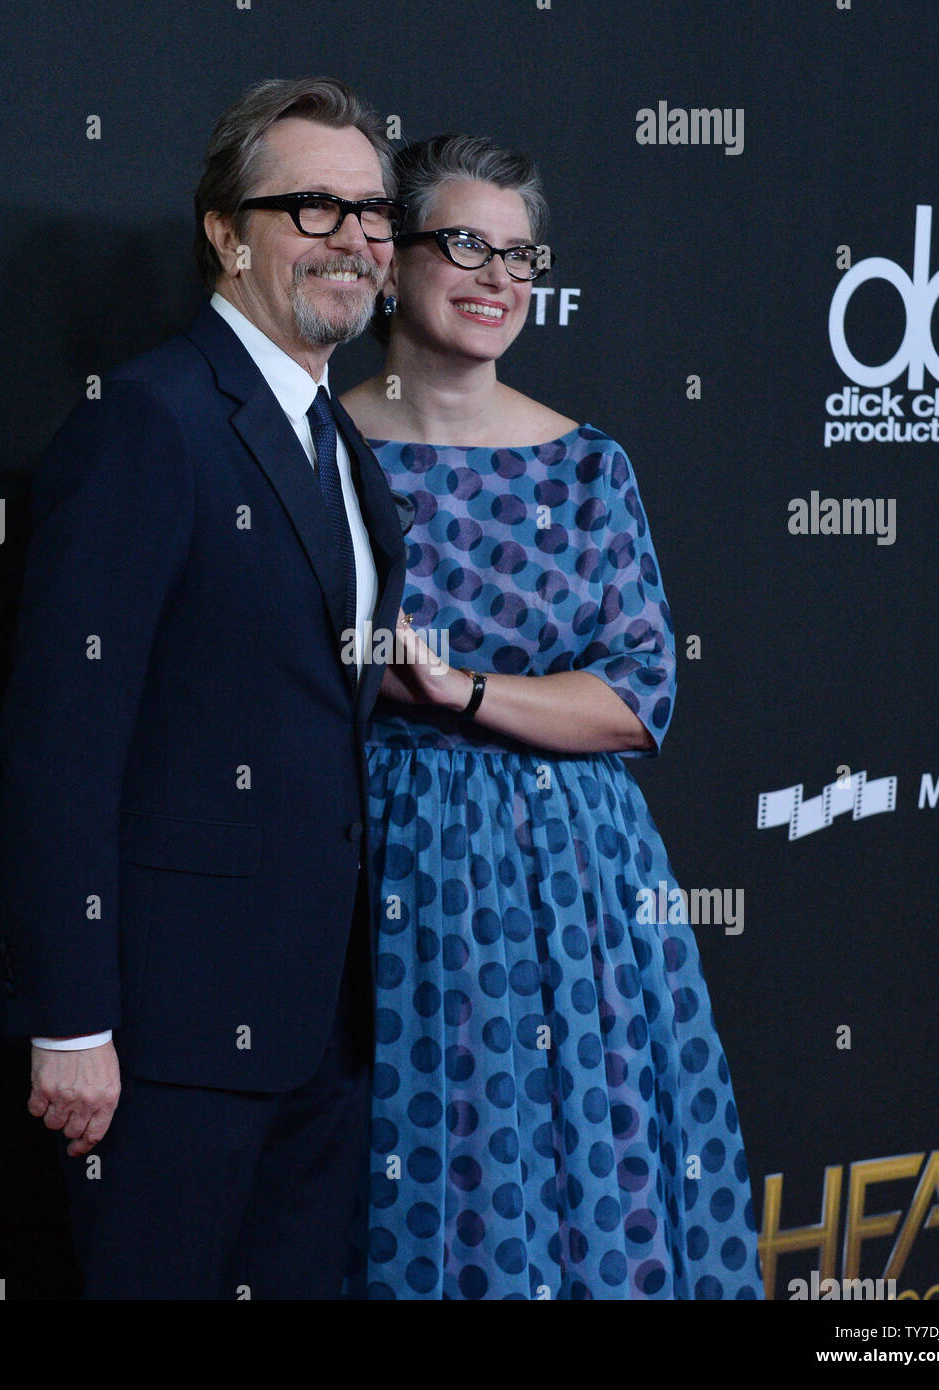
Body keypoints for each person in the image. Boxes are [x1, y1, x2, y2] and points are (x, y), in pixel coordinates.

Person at [0, 76, 408, 1299]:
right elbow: (63, 739)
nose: (353, 240)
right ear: (227, 234)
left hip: (322, 1030)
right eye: (313, 206)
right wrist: (71, 1023)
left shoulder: (344, 448)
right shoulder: (151, 422)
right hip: (163, 1044)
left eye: (375, 214)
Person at [339, 133, 763, 1299]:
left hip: (578, 893)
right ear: (389, 258)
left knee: (590, 1176)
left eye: (521, 257)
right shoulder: (314, 450)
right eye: (466, 243)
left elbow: (637, 699)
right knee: (411, 1171)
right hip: (376, 874)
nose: (497, 279)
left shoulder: (589, 468)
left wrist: (459, 691)